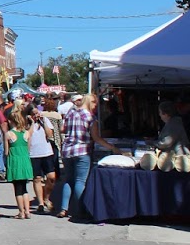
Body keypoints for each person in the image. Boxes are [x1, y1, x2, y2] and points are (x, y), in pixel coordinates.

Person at [57, 93, 122, 222]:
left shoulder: (71, 113)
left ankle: (63, 208)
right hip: (82, 150)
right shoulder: (91, 118)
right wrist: (112, 147)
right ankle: (80, 210)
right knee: (80, 181)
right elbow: (97, 138)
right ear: (90, 102)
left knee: (68, 179)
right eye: (95, 103)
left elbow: (62, 129)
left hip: (67, 150)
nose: (96, 106)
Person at [26, 103, 59, 214]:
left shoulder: (44, 120)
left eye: (37, 113)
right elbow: (28, 136)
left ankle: (46, 197)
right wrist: (31, 123)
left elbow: (49, 134)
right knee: (37, 178)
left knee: (51, 177)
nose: (36, 115)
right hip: (34, 154)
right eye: (33, 114)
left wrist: (43, 121)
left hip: (46, 152)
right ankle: (40, 202)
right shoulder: (27, 124)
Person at [5, 111, 35, 219]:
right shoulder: (26, 133)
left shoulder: (8, 134)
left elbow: (6, 151)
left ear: (10, 121)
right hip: (25, 161)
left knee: (17, 188)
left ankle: (21, 212)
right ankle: (28, 211)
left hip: (15, 161)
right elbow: (28, 148)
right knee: (24, 188)